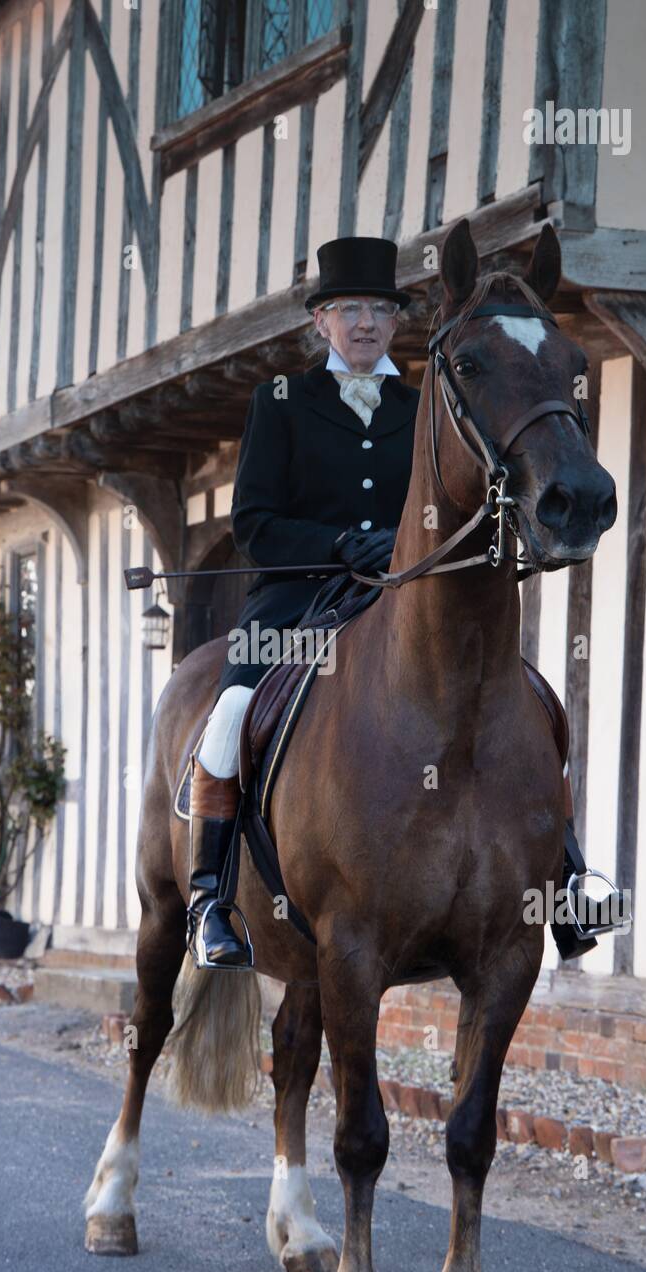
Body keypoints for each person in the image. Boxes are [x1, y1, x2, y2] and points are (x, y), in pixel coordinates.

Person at [187, 236, 418, 968]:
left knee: (514, 694)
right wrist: (341, 541)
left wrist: (404, 546)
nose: (365, 323)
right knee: (228, 717)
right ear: (321, 321)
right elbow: (252, 524)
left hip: (402, 595)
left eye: (380, 309)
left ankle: (567, 876)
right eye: (349, 308)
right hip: (295, 598)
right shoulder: (279, 402)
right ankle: (210, 901)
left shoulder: (424, 405)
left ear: (395, 324)